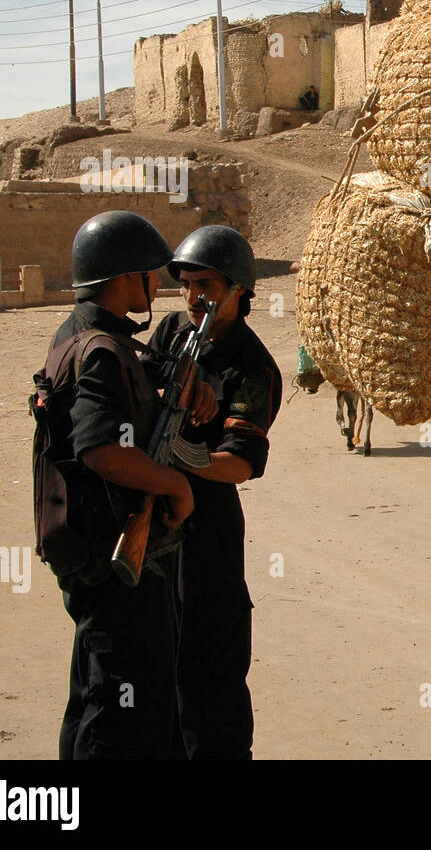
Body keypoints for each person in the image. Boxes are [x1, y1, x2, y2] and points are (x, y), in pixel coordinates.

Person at [43, 210, 208, 759]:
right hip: (112, 558)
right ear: (121, 278)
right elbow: (102, 449)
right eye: (148, 273)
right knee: (119, 714)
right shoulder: (103, 352)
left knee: (99, 695)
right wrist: (173, 487)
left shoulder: (81, 336)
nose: (157, 284)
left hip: (93, 550)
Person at [143, 225, 282, 759]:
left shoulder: (253, 367)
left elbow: (240, 464)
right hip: (156, 519)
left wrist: (179, 456)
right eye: (186, 283)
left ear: (239, 289)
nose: (194, 295)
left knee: (211, 674)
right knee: (158, 669)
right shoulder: (173, 334)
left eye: (207, 283)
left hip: (208, 531)